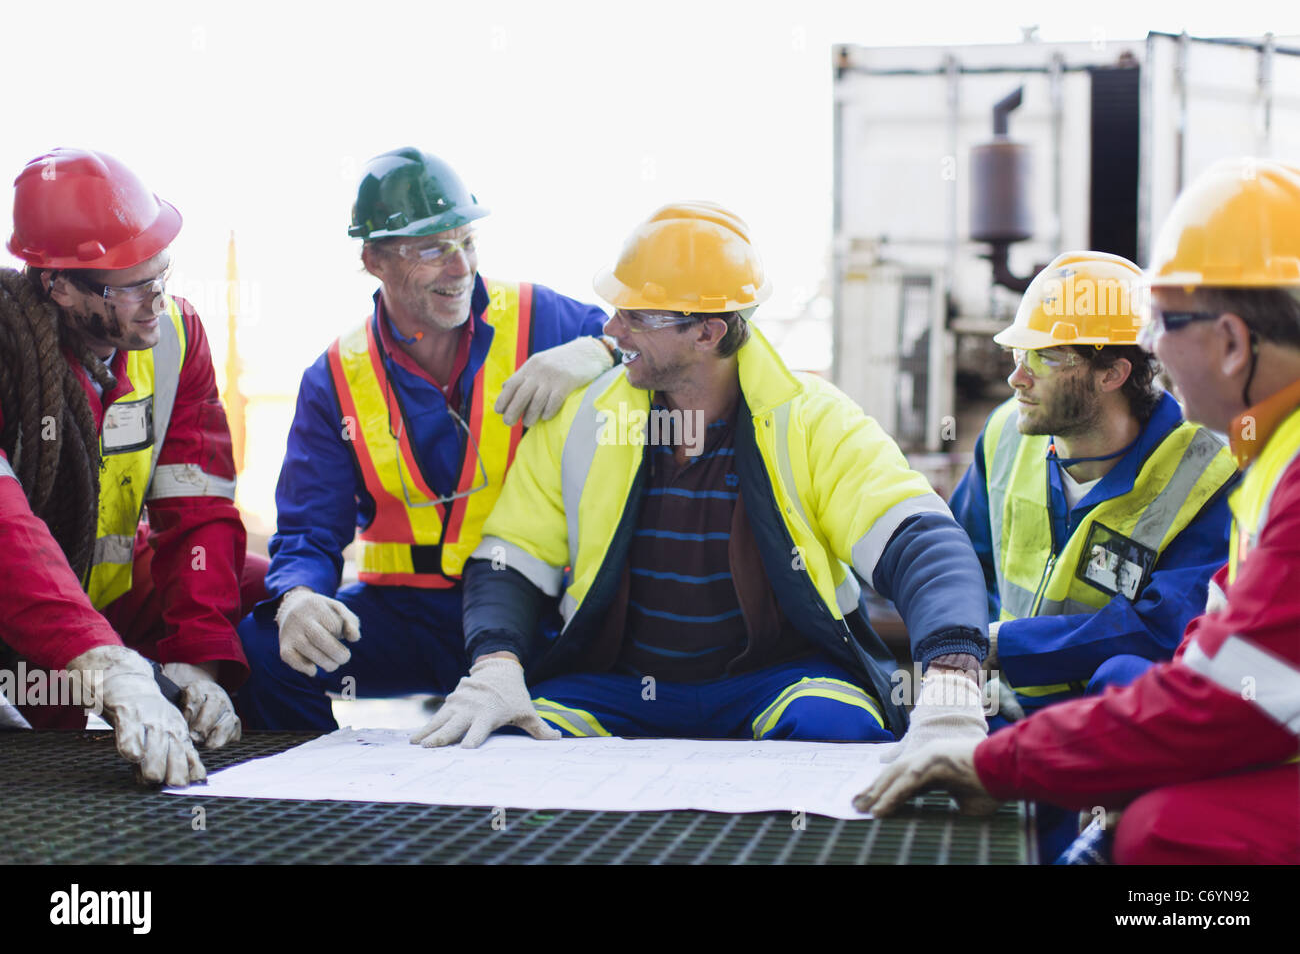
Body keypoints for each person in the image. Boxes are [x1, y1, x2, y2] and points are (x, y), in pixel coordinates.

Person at [413, 200, 991, 750]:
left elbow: (922, 543)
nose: (612, 330)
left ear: (708, 332)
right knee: (512, 743)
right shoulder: (583, 418)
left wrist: (950, 681)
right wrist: (496, 667)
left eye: (636, 315)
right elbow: (510, 557)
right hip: (618, 686)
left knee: (841, 732)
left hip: (779, 682)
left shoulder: (813, 419)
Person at [855, 158, 1300, 865]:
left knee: (1164, 832)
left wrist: (1006, 760)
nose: (1153, 347)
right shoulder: (1269, 453)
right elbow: (1216, 652)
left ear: (1232, 342)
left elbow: (1225, 692)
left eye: (1164, 325)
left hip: (1114, 698)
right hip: (1037, 694)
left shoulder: (1238, 469)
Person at [236, 147, 615, 729]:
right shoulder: (335, 375)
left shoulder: (545, 319)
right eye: (433, 249)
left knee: (608, 691)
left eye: (466, 242)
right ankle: (306, 799)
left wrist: (602, 349)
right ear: (374, 260)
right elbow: (311, 528)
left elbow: (665, 344)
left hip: (529, 609)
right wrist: (299, 596)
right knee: (264, 650)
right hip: (403, 614)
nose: (460, 267)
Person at [1, 148, 264, 786]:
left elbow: (196, 505)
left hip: (102, 597)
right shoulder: (12, 353)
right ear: (57, 285)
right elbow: (8, 531)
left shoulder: (174, 337)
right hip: (23, 610)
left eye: (161, 273)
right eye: (131, 286)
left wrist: (198, 662)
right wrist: (107, 667)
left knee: (263, 589)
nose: (156, 300)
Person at [950, 251, 1237, 724]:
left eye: (1046, 358)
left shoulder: (1206, 472)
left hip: (1105, 720)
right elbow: (961, 563)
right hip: (1001, 706)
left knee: (1127, 674)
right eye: (1020, 355)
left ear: (1113, 373)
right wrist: (954, 649)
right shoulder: (1003, 435)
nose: (1016, 378)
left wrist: (1002, 645)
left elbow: (1165, 628)